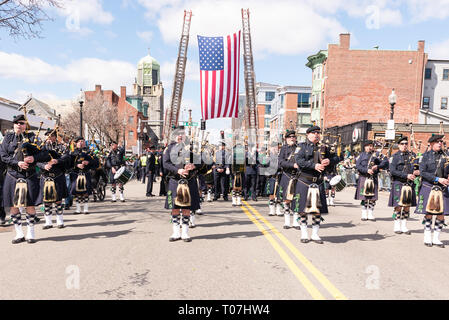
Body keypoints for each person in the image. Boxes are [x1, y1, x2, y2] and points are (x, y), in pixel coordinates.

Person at [0, 114, 48, 243]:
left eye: (22, 123)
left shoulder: (33, 137)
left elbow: (44, 154)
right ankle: (19, 233)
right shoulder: (8, 138)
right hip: (12, 175)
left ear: (25, 125)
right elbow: (3, 156)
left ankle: (30, 232)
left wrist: (34, 158)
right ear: (13, 125)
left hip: (29, 175)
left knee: (29, 204)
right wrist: (17, 163)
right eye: (17, 123)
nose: (19, 126)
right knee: (13, 206)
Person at [292, 126, 340, 244]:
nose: (317, 135)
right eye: (314, 133)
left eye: (318, 133)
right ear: (308, 134)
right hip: (304, 181)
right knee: (303, 209)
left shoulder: (324, 147)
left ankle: (315, 234)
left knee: (317, 210)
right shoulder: (301, 147)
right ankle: (304, 233)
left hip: (318, 182)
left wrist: (330, 161)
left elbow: (338, 157)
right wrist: (314, 165)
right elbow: (299, 161)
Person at [163, 126, 201, 242]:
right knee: (174, 207)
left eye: (182, 134)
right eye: (178, 134)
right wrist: (177, 170)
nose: (180, 136)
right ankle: (175, 232)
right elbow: (165, 163)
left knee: (187, 207)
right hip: (175, 181)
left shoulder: (192, 148)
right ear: (175, 136)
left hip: (189, 182)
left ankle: (185, 232)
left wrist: (194, 165)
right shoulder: (169, 148)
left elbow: (202, 162)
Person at [415, 134, 449, 247]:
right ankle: (427, 236)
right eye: (437, 141)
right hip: (429, 186)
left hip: (442, 188)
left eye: (441, 142)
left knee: (441, 214)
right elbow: (423, 172)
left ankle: (436, 238)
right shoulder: (425, 156)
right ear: (431, 143)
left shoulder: (446, 156)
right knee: (429, 214)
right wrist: (437, 179)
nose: (440, 143)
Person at [37, 128, 71, 229]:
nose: (49, 137)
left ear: (55, 137)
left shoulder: (61, 147)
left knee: (58, 200)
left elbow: (67, 157)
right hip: (45, 176)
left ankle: (60, 221)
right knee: (46, 201)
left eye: (51, 135)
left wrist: (57, 160)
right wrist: (44, 166)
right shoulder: (40, 148)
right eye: (47, 135)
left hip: (58, 176)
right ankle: (48, 222)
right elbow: (36, 160)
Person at [388, 137, 420, 235]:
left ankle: (404, 225)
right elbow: (392, 171)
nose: (404, 145)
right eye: (402, 143)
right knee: (398, 206)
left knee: (407, 206)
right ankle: (397, 225)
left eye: (406, 143)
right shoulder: (394, 157)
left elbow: (417, 167)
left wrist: (417, 172)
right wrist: (406, 175)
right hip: (398, 182)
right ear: (398, 145)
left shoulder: (413, 155)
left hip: (409, 184)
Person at [354, 140, 389, 221]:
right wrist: (366, 170)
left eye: (371, 146)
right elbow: (358, 166)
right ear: (365, 147)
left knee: (372, 197)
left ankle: (370, 213)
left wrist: (378, 166)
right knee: (364, 197)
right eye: (368, 146)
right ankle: (364, 213)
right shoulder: (361, 155)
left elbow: (386, 162)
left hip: (373, 178)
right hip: (363, 177)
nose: (370, 147)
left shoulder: (377, 155)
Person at [68, 137, 99, 214]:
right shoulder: (72, 152)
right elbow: (68, 163)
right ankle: (78, 209)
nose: (81, 143)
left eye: (82, 141)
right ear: (76, 143)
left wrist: (88, 162)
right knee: (77, 192)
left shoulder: (89, 152)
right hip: (76, 173)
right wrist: (76, 165)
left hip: (86, 173)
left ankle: (85, 209)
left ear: (85, 143)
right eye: (79, 141)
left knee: (85, 192)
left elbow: (96, 162)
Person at [278, 130, 300, 229]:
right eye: (290, 137)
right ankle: (287, 222)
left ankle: (296, 221)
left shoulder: (299, 148)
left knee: (297, 199)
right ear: (286, 139)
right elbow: (281, 162)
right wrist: (293, 165)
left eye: (293, 137)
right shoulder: (283, 148)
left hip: (298, 177)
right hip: (287, 176)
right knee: (286, 200)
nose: (292, 138)